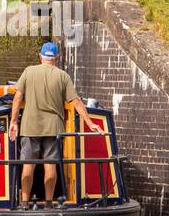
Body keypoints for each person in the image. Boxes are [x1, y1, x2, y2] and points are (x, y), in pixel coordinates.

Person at [8, 42, 101, 205]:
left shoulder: (29, 72)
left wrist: (14, 122)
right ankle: (49, 202)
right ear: (56, 58)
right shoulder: (63, 76)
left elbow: (17, 98)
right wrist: (90, 122)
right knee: (50, 166)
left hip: (30, 127)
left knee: (28, 165)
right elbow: (76, 101)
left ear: (40, 56)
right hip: (54, 128)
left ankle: (24, 202)